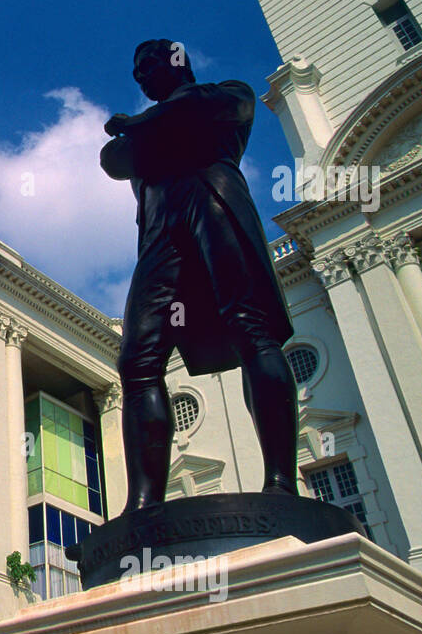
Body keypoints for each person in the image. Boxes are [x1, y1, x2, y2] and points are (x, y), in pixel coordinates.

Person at [100, 39, 297, 515]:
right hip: (158, 236)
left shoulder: (229, 94)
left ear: (177, 61)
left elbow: (197, 109)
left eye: (147, 65)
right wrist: (146, 128)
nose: (139, 77)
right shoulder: (152, 130)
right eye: (136, 71)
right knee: (138, 361)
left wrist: (141, 124)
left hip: (214, 202)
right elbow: (113, 160)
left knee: (254, 332)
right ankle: (144, 504)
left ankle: (281, 483)